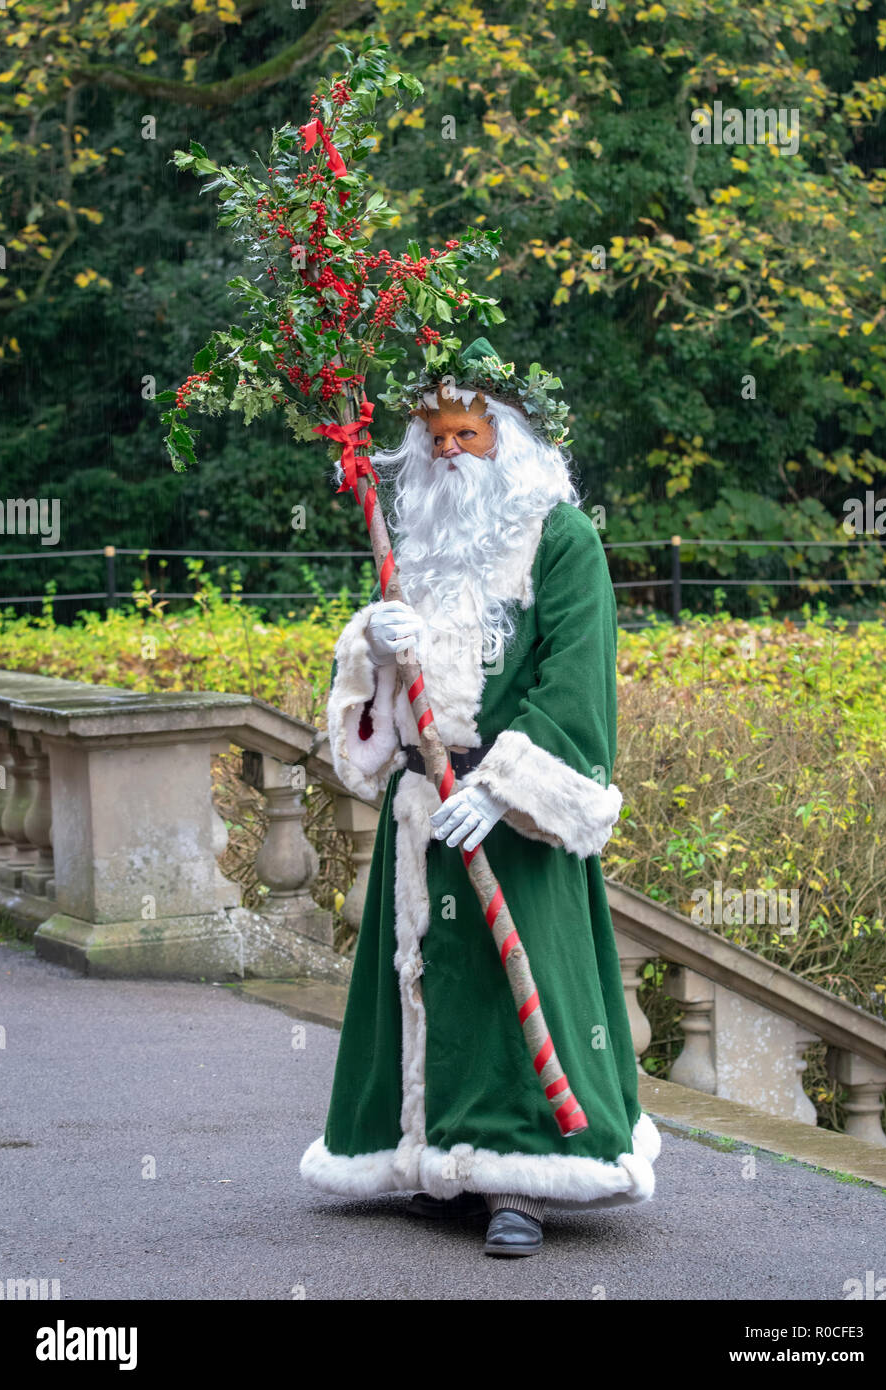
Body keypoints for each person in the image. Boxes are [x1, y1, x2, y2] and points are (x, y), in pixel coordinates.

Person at [300, 339, 660, 1256]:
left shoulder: (565, 541)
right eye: (436, 435)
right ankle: (442, 1156)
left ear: (514, 439)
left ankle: (523, 1179)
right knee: (433, 978)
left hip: (512, 806)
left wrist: (504, 793)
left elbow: (577, 685)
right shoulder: (414, 544)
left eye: (470, 433)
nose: (451, 451)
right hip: (425, 804)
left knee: (516, 982)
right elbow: (383, 707)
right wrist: (372, 644)